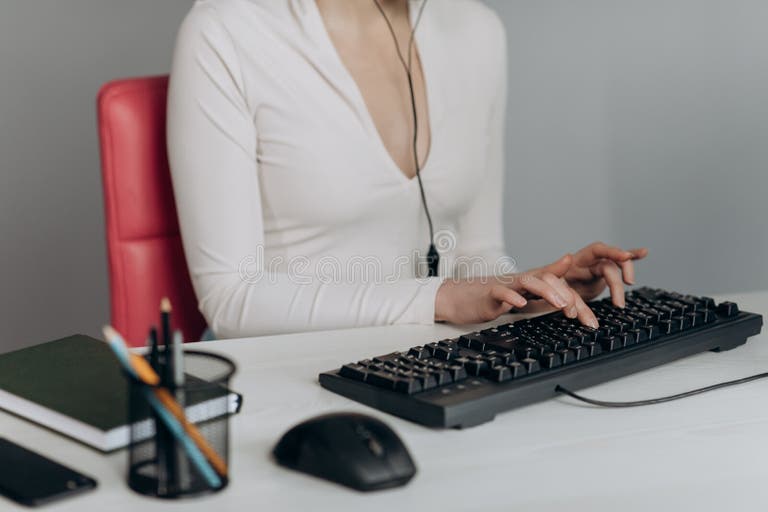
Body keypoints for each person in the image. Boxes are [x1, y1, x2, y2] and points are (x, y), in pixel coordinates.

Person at [167, 0, 647, 339]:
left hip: (420, 361)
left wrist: (532, 294)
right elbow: (232, 299)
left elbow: (476, 255)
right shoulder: (226, 29)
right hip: (276, 375)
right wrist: (438, 299)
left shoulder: (476, 29)